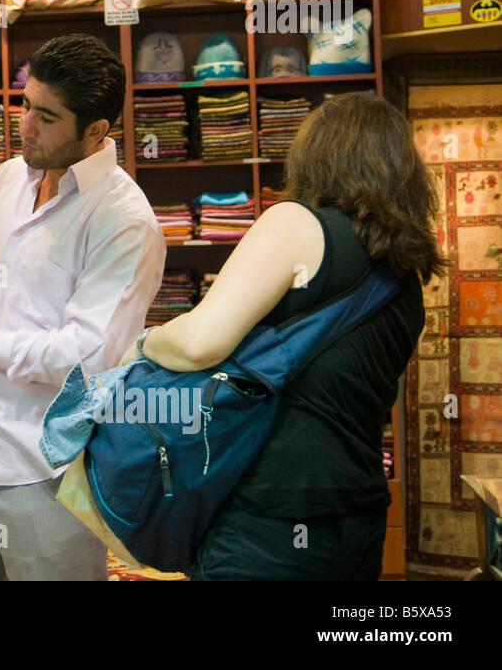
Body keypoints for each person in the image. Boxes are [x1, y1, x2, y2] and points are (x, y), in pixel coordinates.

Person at [137, 91, 443, 580]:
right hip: (358, 514)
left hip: (270, 513)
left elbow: (198, 342)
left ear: (317, 154)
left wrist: (142, 342)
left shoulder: (297, 223)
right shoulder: (404, 275)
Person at [0, 34, 165, 581]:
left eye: (47, 116)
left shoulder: (123, 220)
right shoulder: (8, 178)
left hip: (43, 470)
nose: (26, 125)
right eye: (25, 104)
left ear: (96, 132)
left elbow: (85, 360)